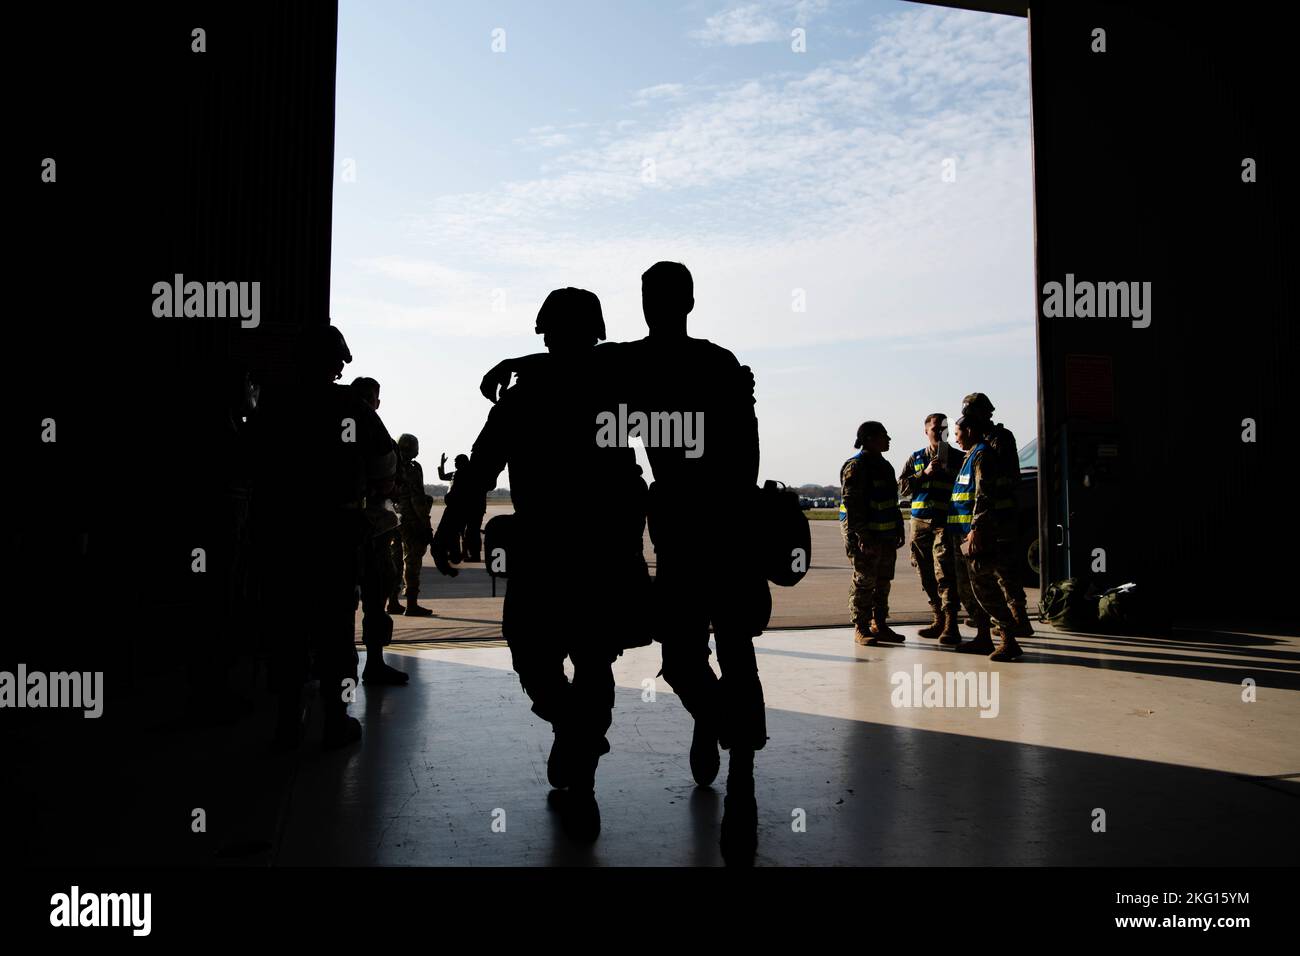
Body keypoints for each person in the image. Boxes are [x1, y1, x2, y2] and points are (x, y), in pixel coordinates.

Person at [476, 263, 769, 863]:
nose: (653, 305)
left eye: (659, 296)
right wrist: (517, 367)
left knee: (715, 653)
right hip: (696, 533)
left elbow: (573, 363)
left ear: (681, 300)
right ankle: (720, 736)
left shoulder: (648, 364)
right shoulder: (673, 363)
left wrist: (515, 367)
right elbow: (570, 360)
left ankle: (740, 774)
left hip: (707, 531)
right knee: (694, 659)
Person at [432, 288, 652, 843]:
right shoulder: (581, 390)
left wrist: (452, 523)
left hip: (579, 553)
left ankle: (580, 762)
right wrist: (451, 519)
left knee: (570, 658)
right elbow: (481, 467)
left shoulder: (585, 387)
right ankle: (577, 734)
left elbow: (481, 467)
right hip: (576, 552)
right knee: (549, 657)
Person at [249, 324, 396, 750]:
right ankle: (336, 719)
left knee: (286, 628)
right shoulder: (351, 406)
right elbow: (385, 464)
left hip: (282, 533)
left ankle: (286, 725)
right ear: (337, 364)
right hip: (335, 535)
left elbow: (247, 462)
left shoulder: (273, 405)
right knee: (335, 632)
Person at [946, 414, 1024, 661]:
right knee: (967, 588)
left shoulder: (982, 455)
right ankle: (983, 637)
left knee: (984, 587)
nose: (955, 439)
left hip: (975, 535)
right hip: (961, 534)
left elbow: (984, 494)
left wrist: (977, 527)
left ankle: (1008, 638)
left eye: (957, 433)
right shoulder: (970, 456)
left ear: (969, 430)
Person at [350, 377, 409, 685]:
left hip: (354, 529)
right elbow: (390, 482)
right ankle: (371, 663)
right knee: (374, 599)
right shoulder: (373, 429)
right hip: (371, 530)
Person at [961, 392, 1034, 638]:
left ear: (985, 414)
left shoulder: (1000, 438)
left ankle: (1018, 617)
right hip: (987, 515)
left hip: (1000, 515)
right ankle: (997, 616)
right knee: (992, 569)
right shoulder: (978, 441)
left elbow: (1007, 477)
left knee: (1006, 568)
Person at [840, 421, 906, 646]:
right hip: (866, 538)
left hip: (886, 535)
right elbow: (852, 505)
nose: (888, 439)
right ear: (869, 439)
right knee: (864, 581)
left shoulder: (885, 466)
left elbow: (892, 502)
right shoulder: (856, 467)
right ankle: (861, 626)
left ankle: (880, 624)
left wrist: (898, 526)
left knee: (883, 580)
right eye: (883, 435)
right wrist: (862, 537)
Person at [898, 413, 962, 639]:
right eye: (936, 428)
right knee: (924, 572)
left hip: (945, 522)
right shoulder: (916, 458)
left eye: (945, 428)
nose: (941, 432)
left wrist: (949, 473)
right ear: (926, 431)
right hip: (920, 523)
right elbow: (902, 488)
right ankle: (938, 618)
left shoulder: (958, 458)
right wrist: (923, 474)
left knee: (945, 572)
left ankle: (951, 623)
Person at [393, 433, 435, 617]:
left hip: (393, 519)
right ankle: (411, 604)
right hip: (411, 520)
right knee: (412, 560)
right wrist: (425, 524)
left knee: (394, 560)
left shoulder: (391, 464)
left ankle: (392, 602)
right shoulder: (412, 468)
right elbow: (417, 499)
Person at [438, 453, 483, 562]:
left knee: (467, 532)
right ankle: (463, 553)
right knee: (462, 532)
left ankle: (469, 554)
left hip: (467, 508)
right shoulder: (456, 474)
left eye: (457, 462)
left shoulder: (467, 475)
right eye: (455, 463)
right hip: (461, 507)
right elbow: (442, 476)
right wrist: (442, 464)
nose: (456, 465)